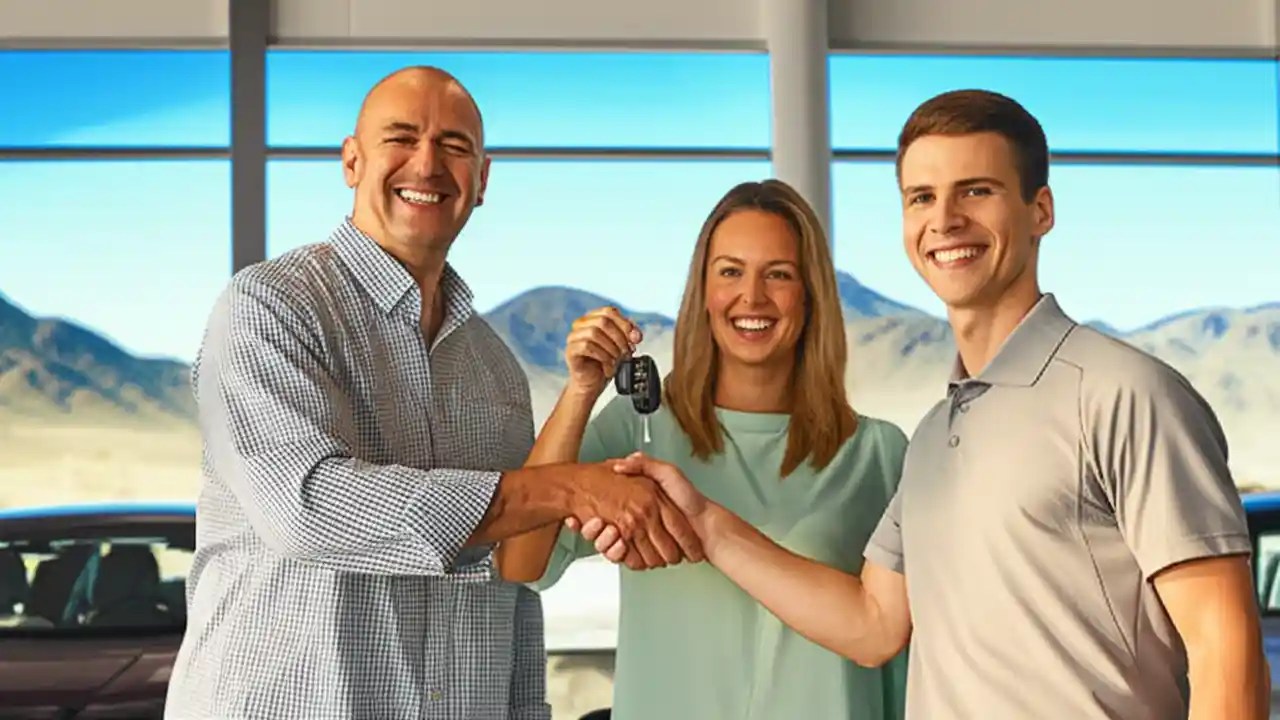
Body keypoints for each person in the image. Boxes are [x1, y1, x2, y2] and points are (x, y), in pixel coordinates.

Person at [582, 89, 1272, 719]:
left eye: (976, 190)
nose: (945, 220)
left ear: (1041, 210)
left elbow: (1225, 649)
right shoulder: (938, 434)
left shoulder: (1126, 394)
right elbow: (873, 624)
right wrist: (704, 521)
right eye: (921, 197)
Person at [165, 66, 701, 720]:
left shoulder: (494, 365)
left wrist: (581, 399)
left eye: (453, 146)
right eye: (401, 138)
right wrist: (575, 487)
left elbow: (512, 573)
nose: (427, 163)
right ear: (351, 161)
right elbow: (307, 506)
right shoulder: (270, 308)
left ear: (482, 180)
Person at [497, 179, 910, 719]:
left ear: (810, 295)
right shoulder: (640, 429)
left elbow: (895, 648)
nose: (752, 297)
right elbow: (522, 563)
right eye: (731, 272)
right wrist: (580, 392)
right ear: (704, 291)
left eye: (779, 275)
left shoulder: (878, 454)